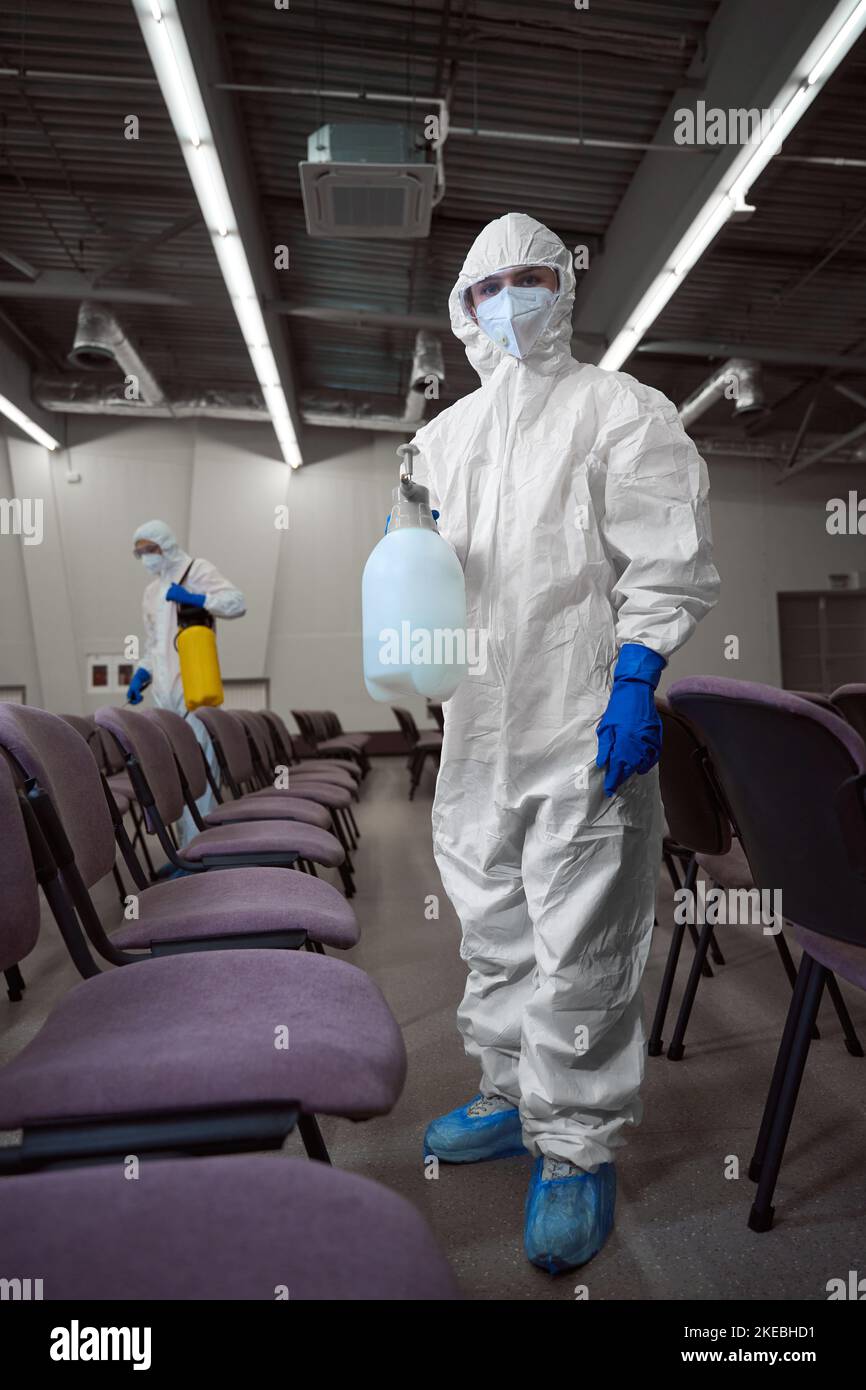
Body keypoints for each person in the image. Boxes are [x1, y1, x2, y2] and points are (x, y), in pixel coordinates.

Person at [411, 213, 720, 1274]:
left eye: (531, 277)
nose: (510, 297)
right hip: (475, 724)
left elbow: (662, 559)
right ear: (464, 307)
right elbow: (435, 570)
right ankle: (507, 1092)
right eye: (487, 285)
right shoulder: (444, 437)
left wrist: (637, 675)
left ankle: (576, 1147)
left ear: (565, 289)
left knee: (578, 939)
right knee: (490, 923)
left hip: (582, 716)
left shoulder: (619, 411)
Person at [127, 520, 246, 845]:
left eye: (150, 549)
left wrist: (199, 598)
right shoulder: (151, 592)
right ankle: (186, 850)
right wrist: (142, 673)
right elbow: (154, 645)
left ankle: (205, 847)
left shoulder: (196, 569)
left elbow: (237, 603)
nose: (146, 558)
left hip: (194, 686)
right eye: (140, 553)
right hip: (164, 693)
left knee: (200, 765)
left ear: (165, 545)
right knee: (175, 769)